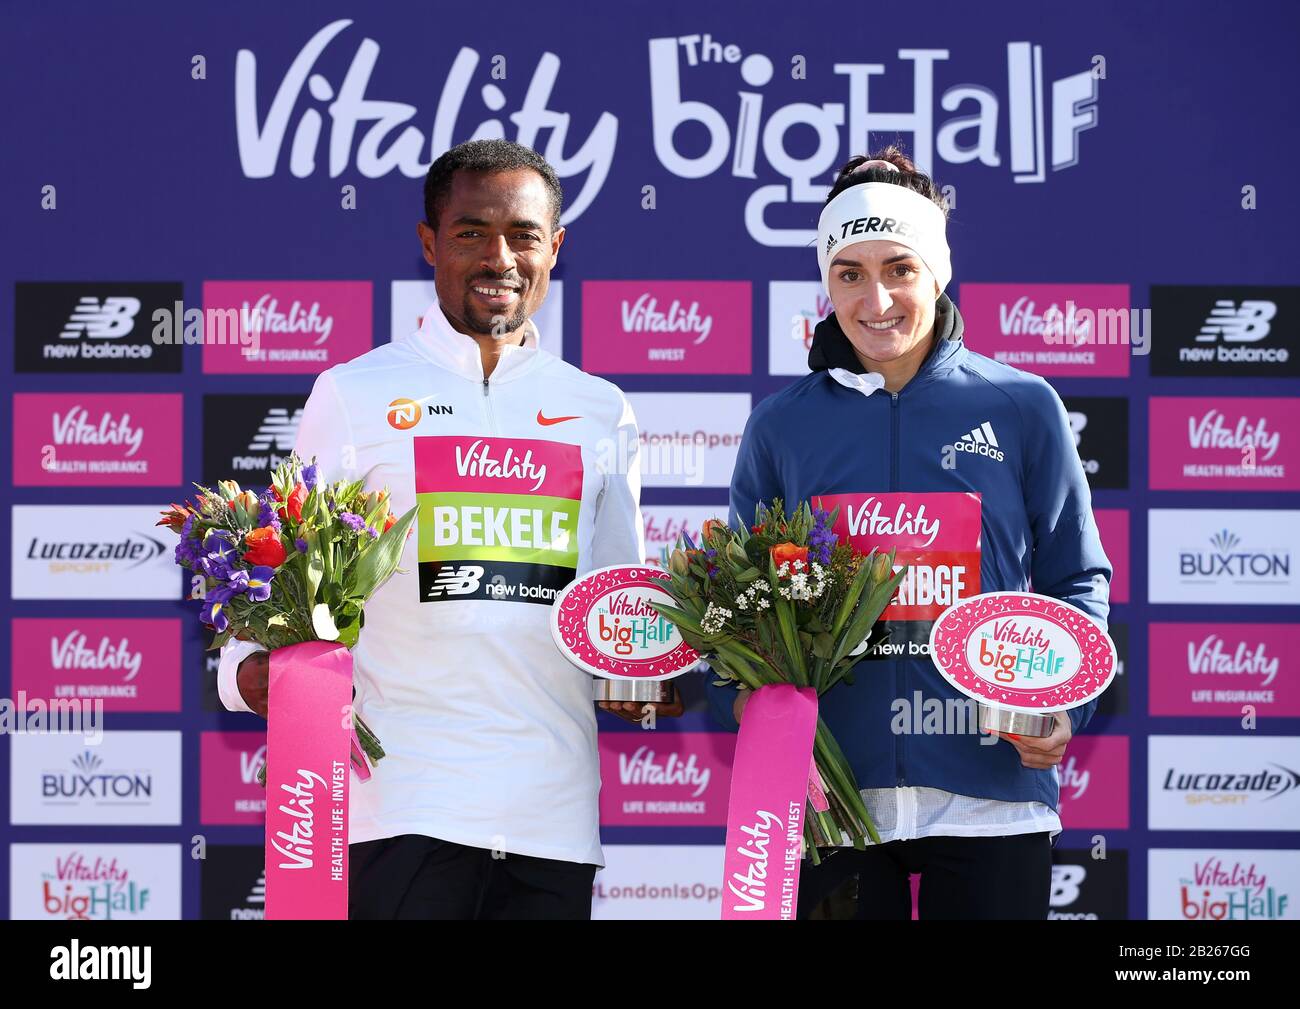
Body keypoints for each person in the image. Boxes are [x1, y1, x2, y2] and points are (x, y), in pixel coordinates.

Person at [218, 139, 678, 920]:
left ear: (554, 247)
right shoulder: (354, 393)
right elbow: (268, 604)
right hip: (401, 806)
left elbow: (616, 610)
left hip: (553, 816)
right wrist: (259, 673)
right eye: (471, 232)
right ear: (430, 242)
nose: (499, 256)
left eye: (523, 235)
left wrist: (647, 671)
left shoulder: (602, 407)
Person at [707, 147, 1112, 920]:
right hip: (834, 796)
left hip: (989, 780)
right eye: (850, 273)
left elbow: (1075, 576)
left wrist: (1066, 707)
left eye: (900, 267)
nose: (877, 298)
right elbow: (738, 606)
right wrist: (754, 706)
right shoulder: (782, 424)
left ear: (939, 271)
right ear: (826, 283)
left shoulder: (1022, 404)